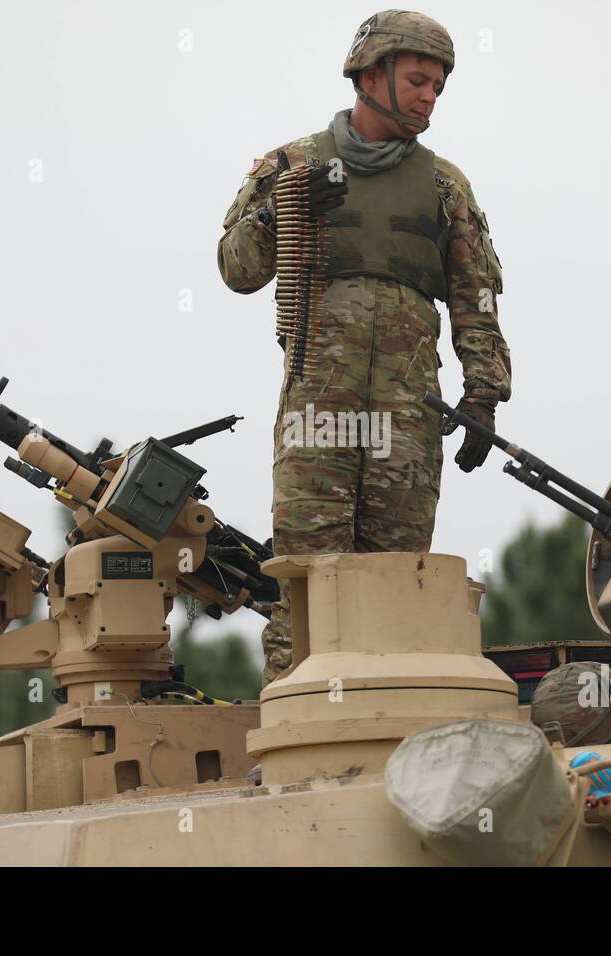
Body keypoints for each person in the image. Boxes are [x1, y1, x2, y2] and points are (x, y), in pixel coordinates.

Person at [217, 10, 512, 683]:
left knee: (396, 584)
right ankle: (296, 733)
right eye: (417, 81)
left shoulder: (444, 186)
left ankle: (390, 738)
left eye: (438, 87)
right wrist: (276, 211)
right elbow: (236, 269)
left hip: (406, 420)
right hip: (318, 411)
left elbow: (479, 297)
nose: (429, 98)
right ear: (370, 74)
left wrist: (485, 395)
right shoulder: (293, 164)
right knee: (308, 583)